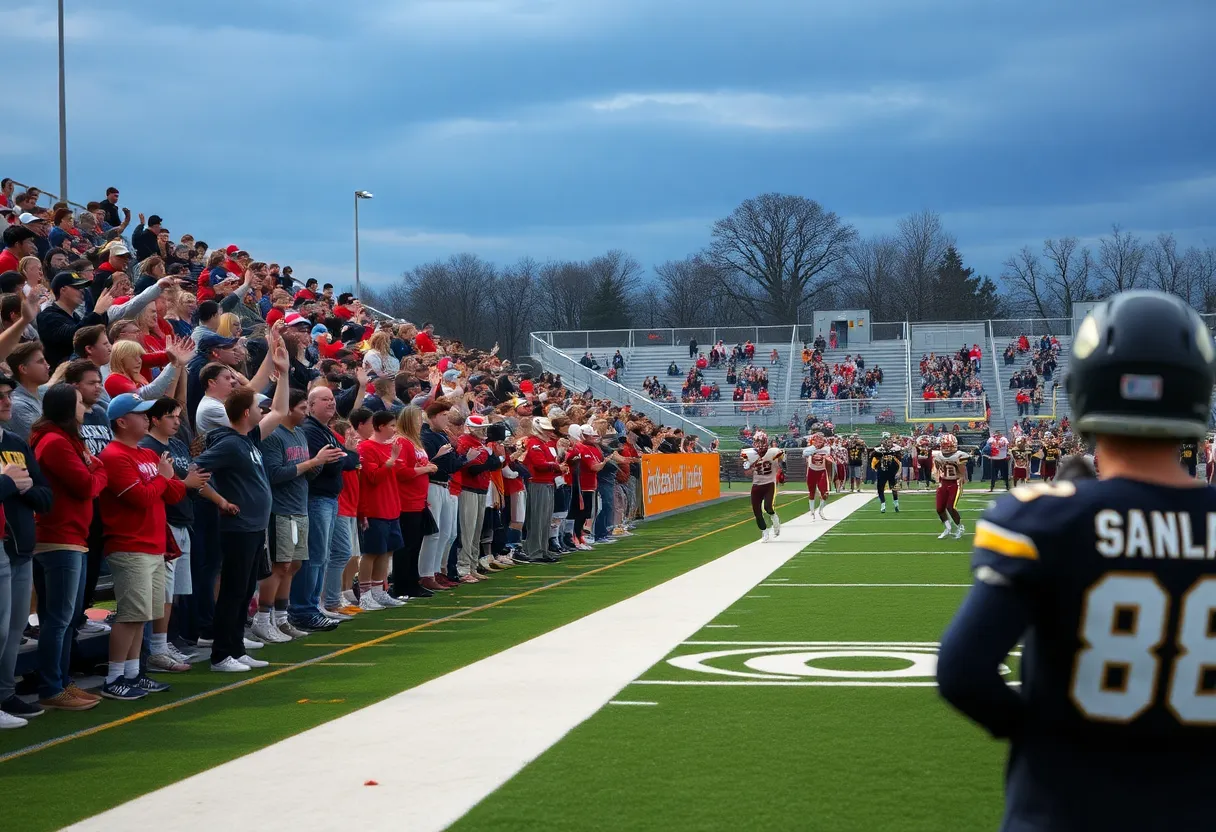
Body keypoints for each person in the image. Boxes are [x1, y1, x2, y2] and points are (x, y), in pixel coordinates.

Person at [937, 291, 1216, 830]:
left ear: (1084, 392)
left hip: (1064, 807)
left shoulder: (1045, 519)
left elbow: (963, 672)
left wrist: (1049, 740)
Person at [192, 335, 291, 672]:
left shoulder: (246, 439)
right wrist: (220, 500)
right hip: (237, 527)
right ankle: (222, 654)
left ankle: (235, 647)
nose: (261, 410)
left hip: (252, 526)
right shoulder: (230, 442)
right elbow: (195, 471)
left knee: (244, 588)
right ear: (245, 412)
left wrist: (284, 372)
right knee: (233, 592)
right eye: (255, 407)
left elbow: (280, 410)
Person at [96, 393, 188, 700]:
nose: (147, 418)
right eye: (140, 414)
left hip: (153, 544)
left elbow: (175, 494)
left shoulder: (146, 455)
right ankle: (113, 678)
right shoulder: (114, 455)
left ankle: (134, 673)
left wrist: (164, 479)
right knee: (131, 614)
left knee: (145, 614)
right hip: (129, 544)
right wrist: (163, 479)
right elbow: (143, 498)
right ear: (122, 422)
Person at [29, 383, 108, 710]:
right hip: (59, 537)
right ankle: (51, 686)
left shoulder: (63, 440)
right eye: (78, 402)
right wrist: (99, 467)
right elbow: (87, 485)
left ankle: (61, 681)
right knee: (59, 618)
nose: (85, 407)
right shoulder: (55, 442)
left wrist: (92, 468)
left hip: (69, 535)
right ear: (65, 408)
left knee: (62, 617)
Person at [262, 388, 346, 638]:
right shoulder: (275, 436)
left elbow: (311, 471)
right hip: (283, 508)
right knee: (282, 566)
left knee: (296, 564)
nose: (305, 413)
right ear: (288, 409)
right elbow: (275, 474)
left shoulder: (299, 433)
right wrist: (316, 461)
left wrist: (317, 463)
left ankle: (285, 616)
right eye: (301, 408)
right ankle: (268, 618)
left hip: (299, 506)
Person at [139, 398, 214, 672]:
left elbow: (188, 479)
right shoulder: (148, 448)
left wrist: (193, 483)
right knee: (163, 590)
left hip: (184, 519)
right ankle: (156, 647)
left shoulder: (179, 445)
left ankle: (165, 641)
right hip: (165, 522)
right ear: (155, 419)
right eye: (171, 416)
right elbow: (160, 486)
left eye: (179, 416)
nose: (177, 421)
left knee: (175, 591)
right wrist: (186, 483)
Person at [357, 411, 408, 607]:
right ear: (380, 426)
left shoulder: (389, 447)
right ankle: (365, 594)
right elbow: (373, 477)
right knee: (371, 552)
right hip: (374, 507)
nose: (395, 430)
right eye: (392, 426)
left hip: (391, 506)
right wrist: (390, 461)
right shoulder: (367, 447)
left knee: (387, 551)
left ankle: (380, 591)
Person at [392, 406, 439, 599]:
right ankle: (403, 585)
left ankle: (413, 582)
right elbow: (401, 472)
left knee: (416, 544)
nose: (421, 422)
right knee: (407, 545)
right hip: (406, 501)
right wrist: (425, 469)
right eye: (418, 419)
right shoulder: (402, 441)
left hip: (419, 500)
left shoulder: (415, 442)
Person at [740, 431, 782, 542]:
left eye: (761, 441)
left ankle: (774, 518)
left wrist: (780, 466)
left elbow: (781, 462)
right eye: (757, 442)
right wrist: (752, 467)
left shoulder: (774, 452)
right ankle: (764, 532)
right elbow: (746, 473)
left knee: (768, 507)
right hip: (757, 485)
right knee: (756, 511)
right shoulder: (748, 454)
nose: (759, 444)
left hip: (769, 484)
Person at [932, 433, 969, 540]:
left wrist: (962, 479)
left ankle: (959, 527)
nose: (945, 447)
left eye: (947, 445)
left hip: (955, 482)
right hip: (943, 482)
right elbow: (937, 469)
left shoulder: (960, 455)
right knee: (939, 508)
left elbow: (962, 471)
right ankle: (948, 528)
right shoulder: (938, 456)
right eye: (944, 445)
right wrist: (936, 478)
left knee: (950, 507)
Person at [802, 433, 832, 520]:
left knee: (825, 493)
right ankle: (812, 511)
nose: (818, 442)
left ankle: (821, 510)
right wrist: (814, 448)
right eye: (816, 440)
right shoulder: (810, 448)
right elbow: (804, 453)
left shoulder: (827, 449)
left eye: (820, 440)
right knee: (811, 492)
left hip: (821, 471)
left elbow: (829, 457)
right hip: (811, 471)